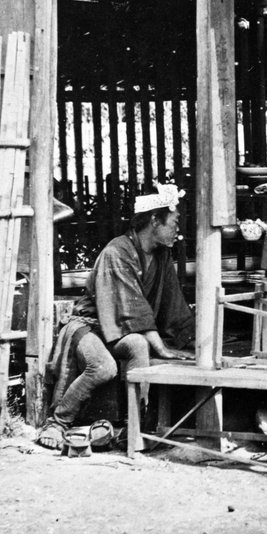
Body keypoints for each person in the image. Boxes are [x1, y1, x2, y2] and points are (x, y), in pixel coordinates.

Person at [37, 183, 195, 451]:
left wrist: (190, 340)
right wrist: (163, 349)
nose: (178, 228)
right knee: (103, 367)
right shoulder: (116, 252)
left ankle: (134, 428)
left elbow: (173, 302)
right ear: (155, 220)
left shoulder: (162, 255)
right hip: (90, 327)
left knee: (138, 344)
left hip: (123, 331)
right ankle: (57, 422)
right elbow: (131, 308)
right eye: (174, 221)